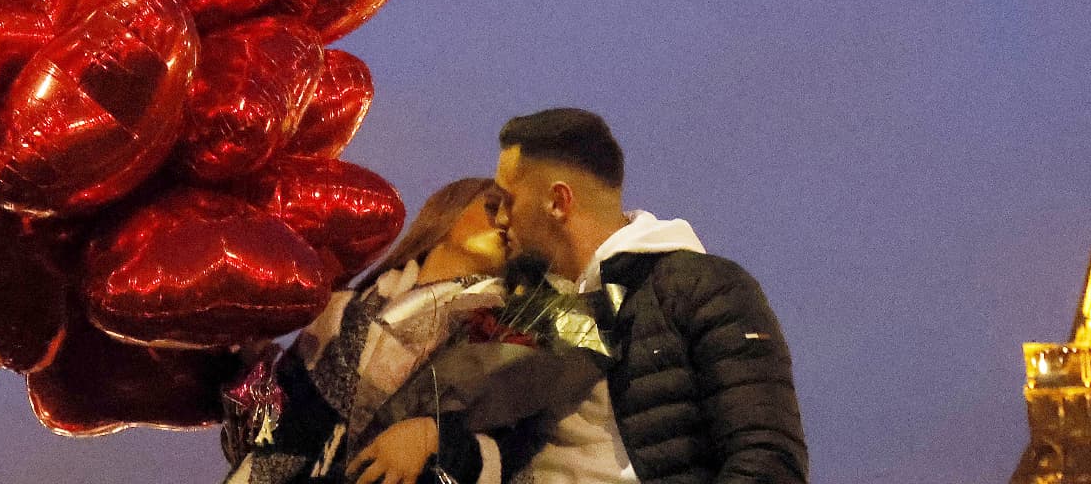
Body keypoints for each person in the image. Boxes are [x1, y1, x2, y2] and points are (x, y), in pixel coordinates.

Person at [493, 108, 809, 484]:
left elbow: (767, 460)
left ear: (558, 202)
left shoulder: (700, 288)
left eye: (508, 200)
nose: (499, 219)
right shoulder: (519, 311)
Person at [224, 177, 518, 484]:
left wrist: (434, 441)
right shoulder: (339, 314)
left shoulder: (497, 333)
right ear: (447, 212)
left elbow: (506, 451)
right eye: (491, 206)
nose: (503, 220)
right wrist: (252, 366)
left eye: (512, 216)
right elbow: (261, 439)